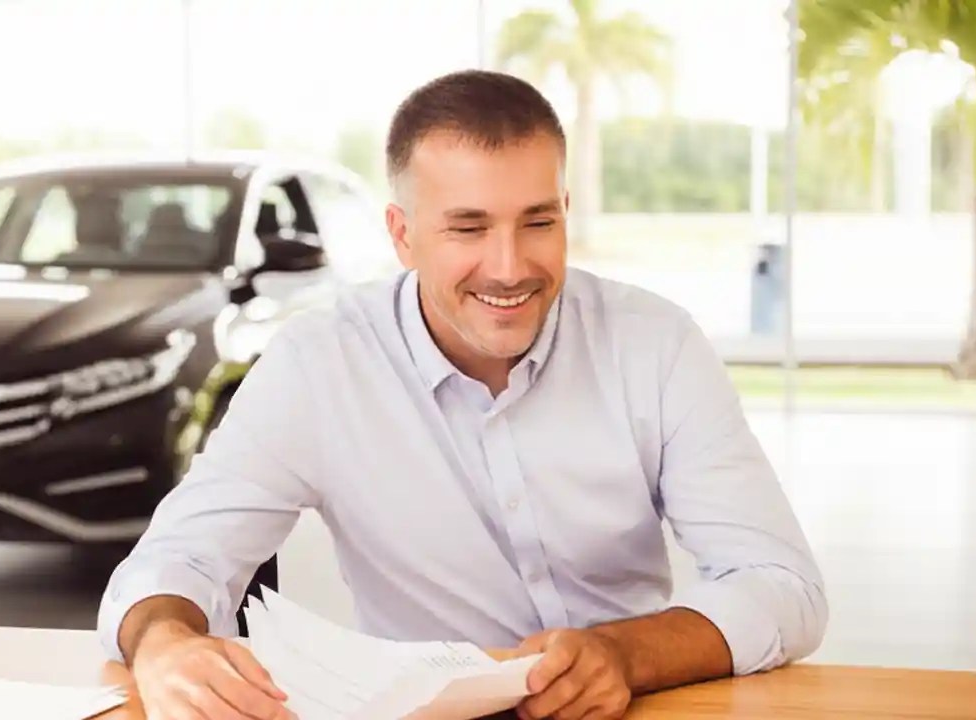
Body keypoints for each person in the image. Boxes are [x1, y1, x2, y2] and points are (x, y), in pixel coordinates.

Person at [97, 69, 827, 720]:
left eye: (538, 221)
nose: (509, 268)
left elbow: (782, 586)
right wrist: (164, 643)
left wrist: (626, 655)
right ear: (403, 235)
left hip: (633, 706)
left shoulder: (654, 343)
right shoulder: (318, 365)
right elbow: (179, 558)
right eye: (468, 228)